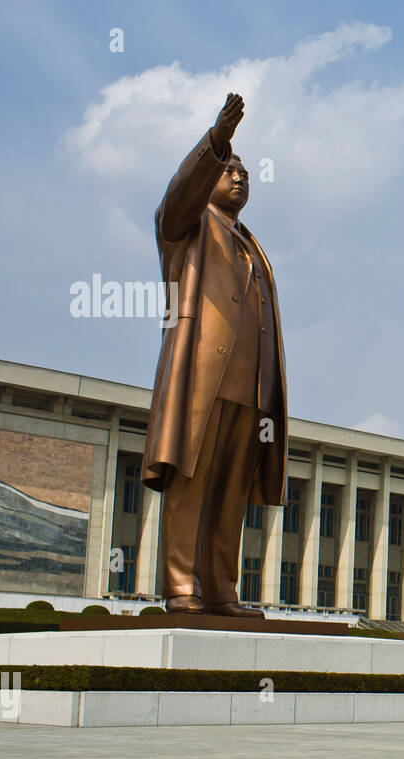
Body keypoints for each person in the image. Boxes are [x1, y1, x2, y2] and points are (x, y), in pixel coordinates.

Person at [143, 93, 288, 616]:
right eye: (230, 169)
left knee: (230, 492)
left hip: (251, 390)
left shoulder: (251, 243)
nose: (240, 176)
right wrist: (216, 141)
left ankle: (222, 589)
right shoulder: (188, 226)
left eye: (245, 171)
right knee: (191, 482)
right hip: (203, 381)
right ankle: (182, 586)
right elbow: (177, 196)